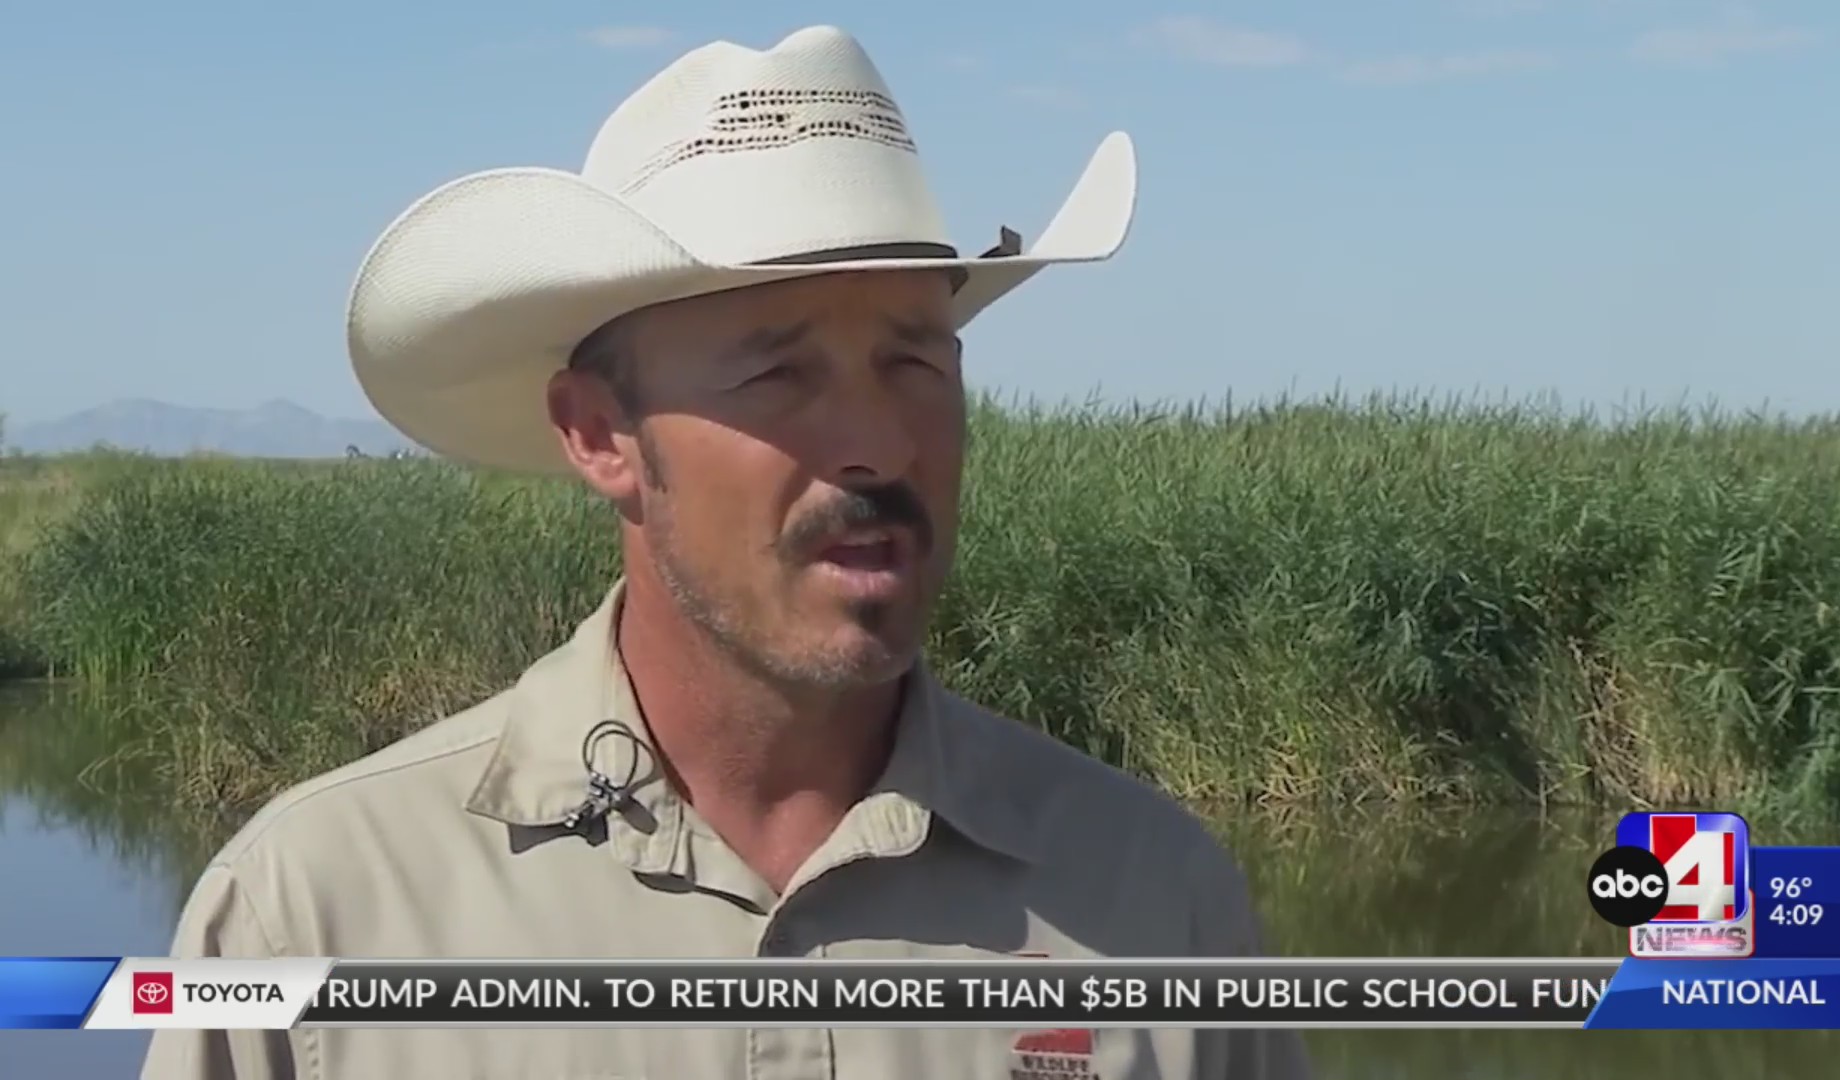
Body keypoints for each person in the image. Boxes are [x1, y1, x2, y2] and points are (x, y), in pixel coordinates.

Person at [141, 24, 1313, 1080]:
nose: (875, 444)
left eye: (916, 362)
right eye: (778, 372)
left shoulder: (1154, 899)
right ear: (599, 434)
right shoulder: (317, 912)